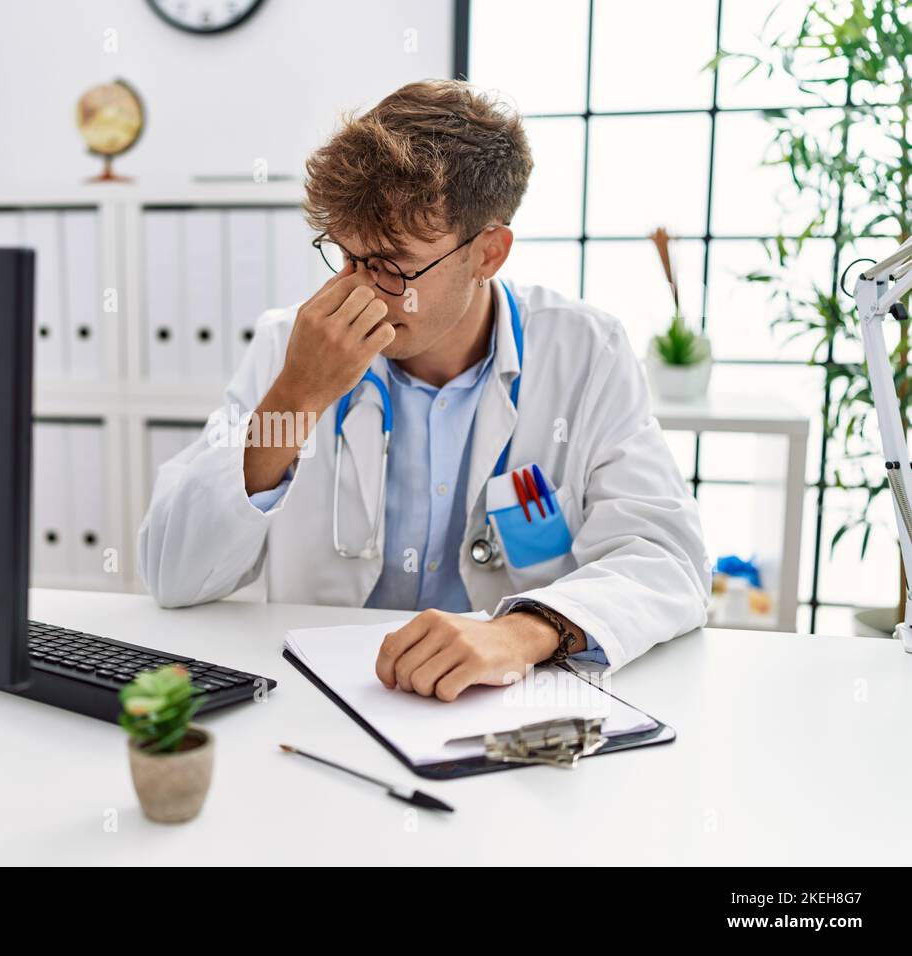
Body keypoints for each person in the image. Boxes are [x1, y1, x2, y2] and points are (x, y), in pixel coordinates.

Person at [138, 79, 710, 700]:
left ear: (488, 253)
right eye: (346, 255)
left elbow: (668, 560)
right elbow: (173, 571)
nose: (358, 289)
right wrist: (295, 398)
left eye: (392, 264)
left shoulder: (585, 352)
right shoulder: (289, 349)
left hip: (504, 711)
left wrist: (522, 632)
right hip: (321, 707)